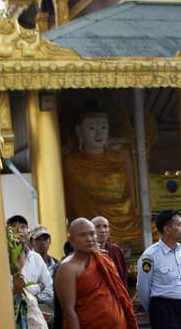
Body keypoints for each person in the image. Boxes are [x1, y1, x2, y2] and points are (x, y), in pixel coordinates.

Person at [61, 104, 142, 251]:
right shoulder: (71, 162)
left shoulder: (118, 158)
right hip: (88, 221)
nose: (99, 134)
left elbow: (125, 198)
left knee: (151, 229)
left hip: (124, 222)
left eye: (104, 128)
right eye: (91, 128)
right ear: (79, 130)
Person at [8, 214, 55, 308]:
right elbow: (10, 290)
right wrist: (38, 287)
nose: (18, 230)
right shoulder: (2, 258)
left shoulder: (36, 258)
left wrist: (32, 300)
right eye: (13, 227)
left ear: (28, 233)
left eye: (23, 227)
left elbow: (49, 289)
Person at [92, 215, 128, 284]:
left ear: (109, 230)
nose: (102, 230)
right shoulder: (87, 253)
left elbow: (123, 275)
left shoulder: (115, 249)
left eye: (105, 226)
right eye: (97, 227)